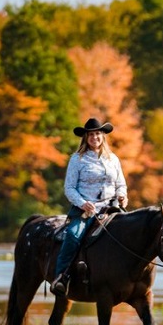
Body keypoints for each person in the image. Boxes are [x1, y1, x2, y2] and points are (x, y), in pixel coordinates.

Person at [51, 117, 128, 296]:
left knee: (130, 233)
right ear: (85, 137)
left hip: (111, 208)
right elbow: (69, 188)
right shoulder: (77, 159)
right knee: (73, 235)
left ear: (103, 136)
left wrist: (123, 196)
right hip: (86, 209)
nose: (95, 137)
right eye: (91, 134)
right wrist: (83, 204)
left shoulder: (113, 159)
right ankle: (61, 276)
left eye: (98, 134)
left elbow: (121, 184)